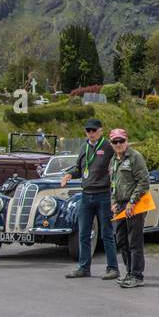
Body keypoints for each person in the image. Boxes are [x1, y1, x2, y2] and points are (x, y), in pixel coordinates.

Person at [61, 118, 120, 280]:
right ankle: (83, 267)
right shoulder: (84, 147)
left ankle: (113, 268)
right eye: (88, 131)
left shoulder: (108, 147)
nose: (91, 133)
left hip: (104, 194)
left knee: (107, 233)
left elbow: (118, 163)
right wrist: (70, 174)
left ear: (100, 131)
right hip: (86, 194)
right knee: (84, 233)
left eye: (94, 130)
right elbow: (79, 168)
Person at [107, 128, 151, 288]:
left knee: (134, 241)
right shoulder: (113, 160)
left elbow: (144, 181)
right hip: (119, 205)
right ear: (111, 143)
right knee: (121, 240)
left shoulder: (135, 157)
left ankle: (137, 275)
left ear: (126, 141)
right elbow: (113, 184)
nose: (118, 144)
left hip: (134, 204)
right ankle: (128, 271)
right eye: (115, 142)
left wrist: (132, 202)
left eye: (121, 141)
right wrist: (113, 201)